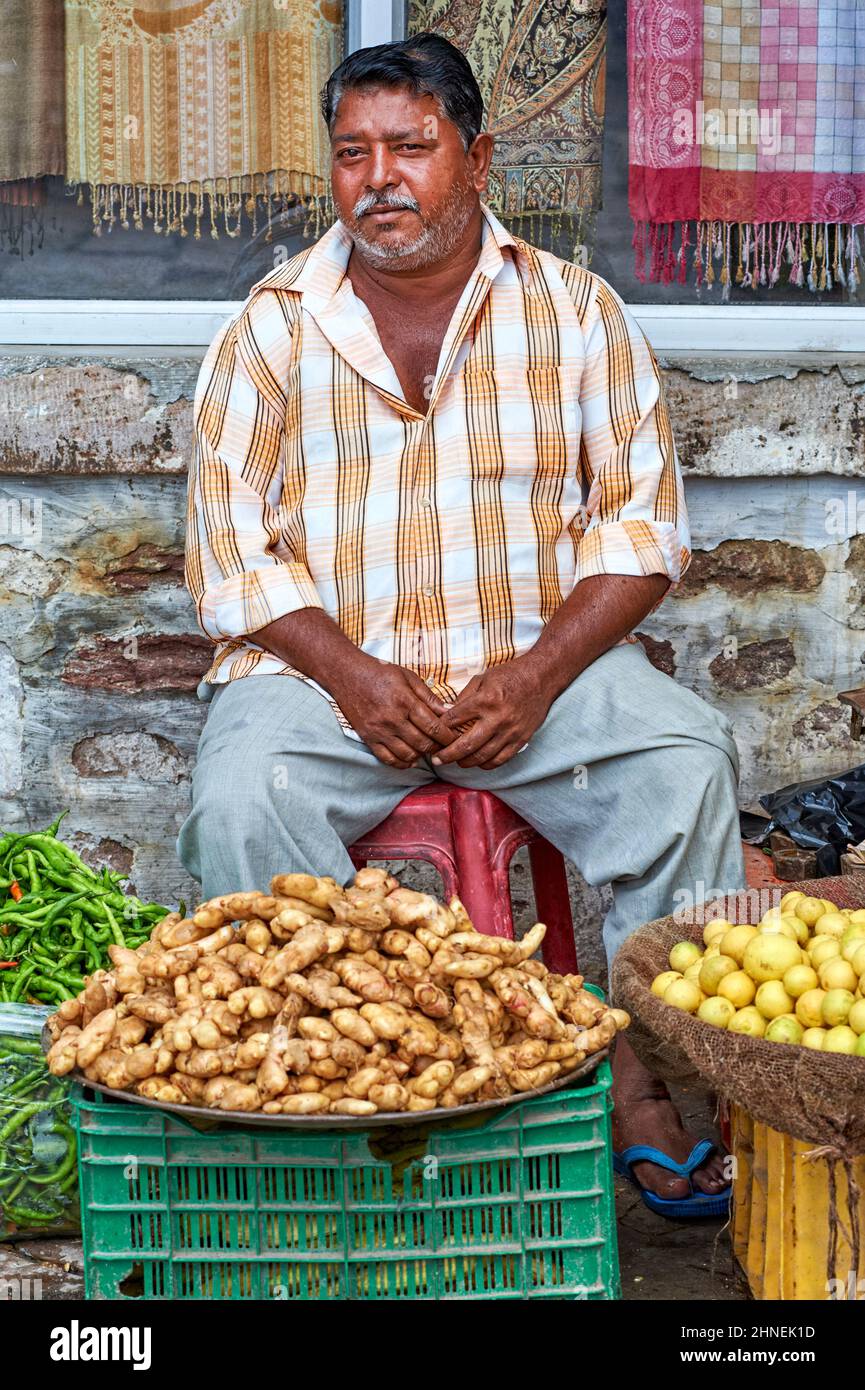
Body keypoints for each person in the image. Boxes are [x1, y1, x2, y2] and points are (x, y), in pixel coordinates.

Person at [178, 33, 746, 1214]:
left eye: (410, 148)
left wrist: (538, 676)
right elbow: (229, 556)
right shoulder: (271, 325)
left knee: (688, 760)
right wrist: (349, 675)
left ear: (476, 158)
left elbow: (641, 534)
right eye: (351, 154)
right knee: (239, 803)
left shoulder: (575, 313)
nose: (378, 178)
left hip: (532, 669)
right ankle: (357, 1108)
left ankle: (648, 1073)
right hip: (329, 676)